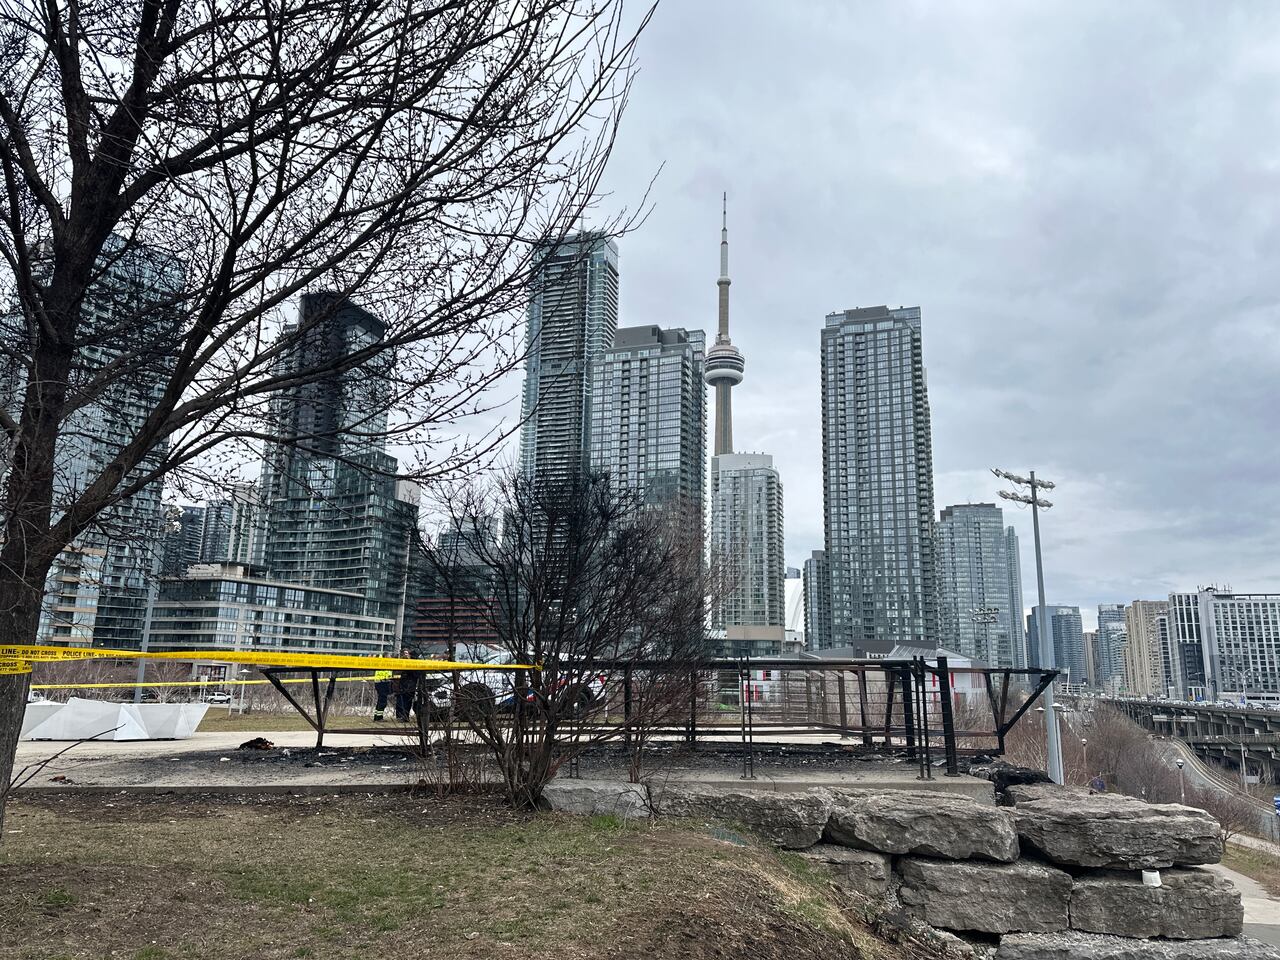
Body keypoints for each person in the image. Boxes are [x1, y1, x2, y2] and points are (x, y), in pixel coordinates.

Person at [395, 647, 419, 722]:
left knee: (404, 702)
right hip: (411, 686)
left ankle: (403, 717)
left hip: (407, 686)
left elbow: (404, 673)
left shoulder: (410, 664)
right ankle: (405, 717)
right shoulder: (418, 664)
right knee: (407, 702)